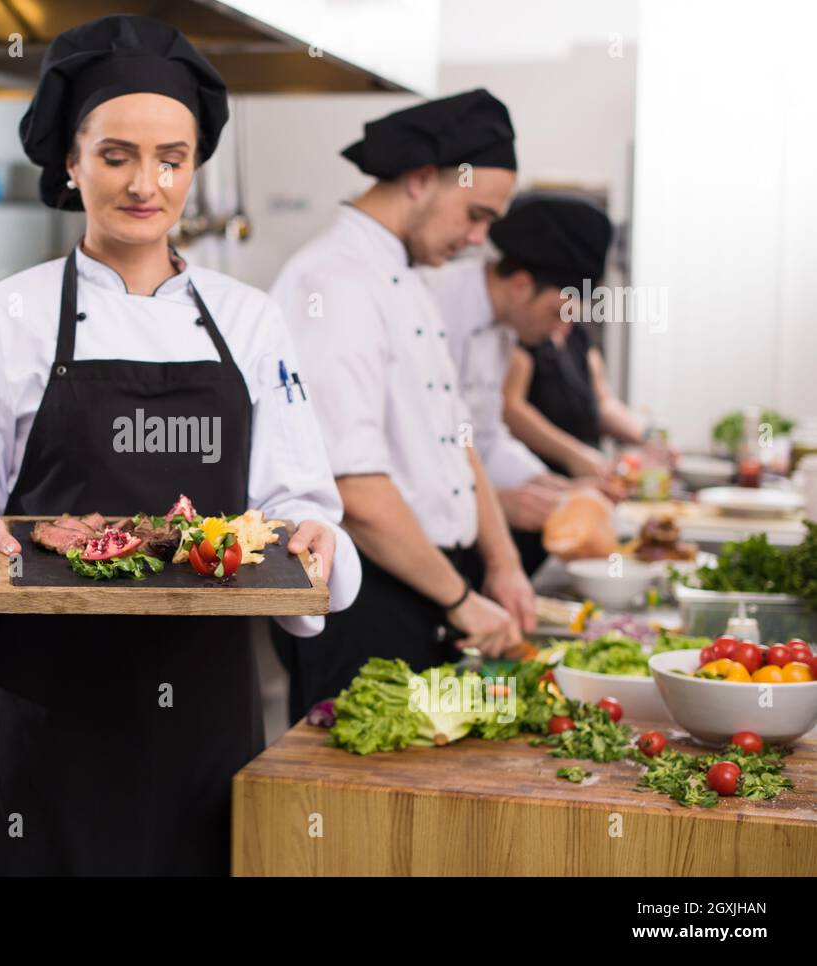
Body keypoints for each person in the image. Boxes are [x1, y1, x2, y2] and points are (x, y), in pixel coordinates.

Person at [0, 15, 360, 876]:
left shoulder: (250, 321)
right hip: (42, 706)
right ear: (71, 164)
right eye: (115, 155)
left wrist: (309, 536)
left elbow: (298, 501)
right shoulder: (1, 317)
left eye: (171, 159)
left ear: (192, 168)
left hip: (201, 716)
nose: (144, 183)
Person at [269, 90, 536, 726]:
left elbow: (457, 436)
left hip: (426, 587)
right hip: (365, 599)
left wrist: (502, 564)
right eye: (476, 216)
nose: (478, 239)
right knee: (357, 814)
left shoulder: (405, 277)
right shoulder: (332, 283)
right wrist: (462, 599)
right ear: (421, 179)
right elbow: (352, 489)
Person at [422, 192, 620, 574]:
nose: (559, 331)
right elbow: (415, 447)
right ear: (520, 285)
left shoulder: (504, 328)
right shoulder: (434, 305)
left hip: (457, 531)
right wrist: (494, 502)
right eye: (558, 312)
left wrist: (549, 485)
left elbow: (485, 436)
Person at [504, 318, 646, 480]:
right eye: (556, 311)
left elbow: (602, 402)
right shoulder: (522, 339)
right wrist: (573, 455)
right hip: (535, 469)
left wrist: (646, 438)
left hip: (585, 471)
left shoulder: (578, 335)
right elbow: (511, 408)